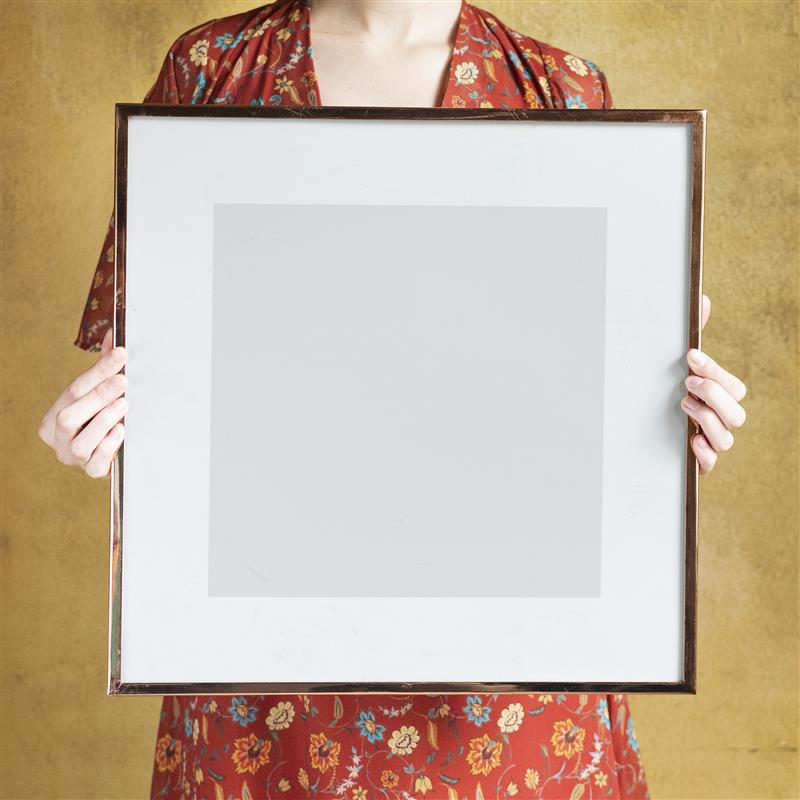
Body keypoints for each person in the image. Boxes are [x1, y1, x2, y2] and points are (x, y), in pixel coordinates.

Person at [38, 0, 749, 797]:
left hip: (519, 693)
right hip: (263, 678)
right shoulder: (212, 70)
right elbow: (149, 364)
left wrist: (665, 434)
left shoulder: (561, 90)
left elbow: (577, 400)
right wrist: (99, 431)